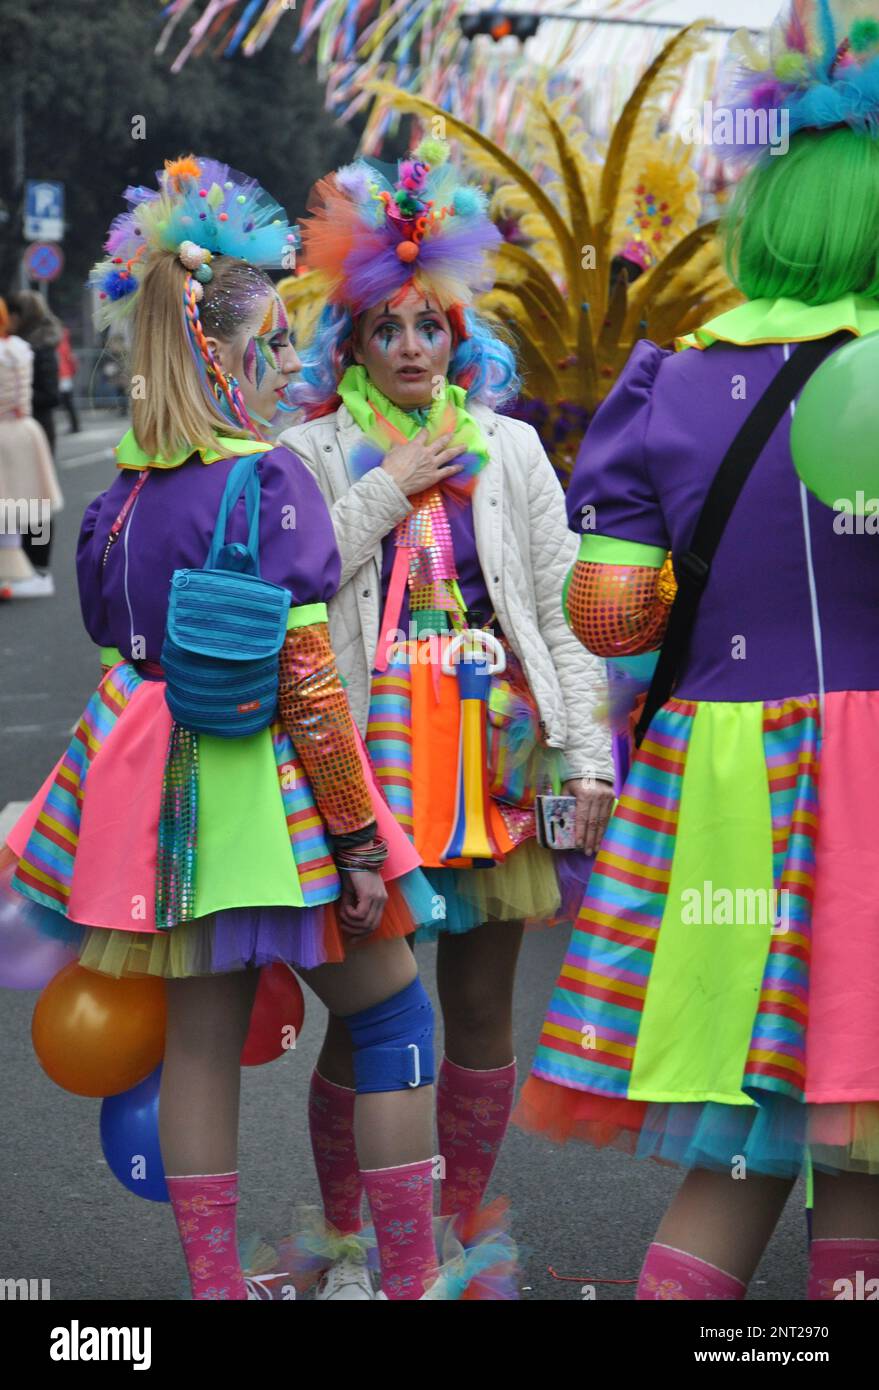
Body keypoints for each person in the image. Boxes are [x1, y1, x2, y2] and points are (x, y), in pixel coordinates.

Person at [0, 155, 451, 1302]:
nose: (297, 368)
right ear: (230, 355)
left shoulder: (122, 503)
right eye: (283, 351)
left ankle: (216, 1289)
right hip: (271, 800)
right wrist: (357, 841)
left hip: (159, 813)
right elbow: (306, 677)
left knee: (199, 1043)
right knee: (397, 1012)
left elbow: (118, 640)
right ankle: (408, 1281)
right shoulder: (271, 485)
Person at [515, 0, 879, 1301]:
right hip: (865, 776)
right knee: (857, 1133)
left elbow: (608, 613)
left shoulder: (665, 384)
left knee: (740, 1135)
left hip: (721, 786)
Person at [280, 137, 615, 1298]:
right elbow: (302, 579)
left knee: (478, 1005)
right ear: (354, 343)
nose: (414, 348)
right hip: (368, 773)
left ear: (460, 340)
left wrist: (583, 752)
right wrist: (392, 480)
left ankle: (453, 1235)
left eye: (433, 328)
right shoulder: (311, 450)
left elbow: (567, 606)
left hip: (495, 764)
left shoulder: (513, 446)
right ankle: (350, 1243)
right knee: (378, 1015)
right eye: (389, 330)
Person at [0, 296, 63, 599]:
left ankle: (39, 566)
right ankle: (15, 565)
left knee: (35, 501)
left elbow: (51, 394)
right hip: (16, 432)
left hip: (33, 429)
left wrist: (17, 402)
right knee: (11, 499)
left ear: (18, 315)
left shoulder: (39, 346)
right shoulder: (16, 346)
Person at [57, 326, 80, 433]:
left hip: (62, 375)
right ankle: (75, 425)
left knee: (68, 402)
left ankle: (75, 426)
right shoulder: (65, 344)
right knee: (68, 402)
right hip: (65, 375)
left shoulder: (61, 345)